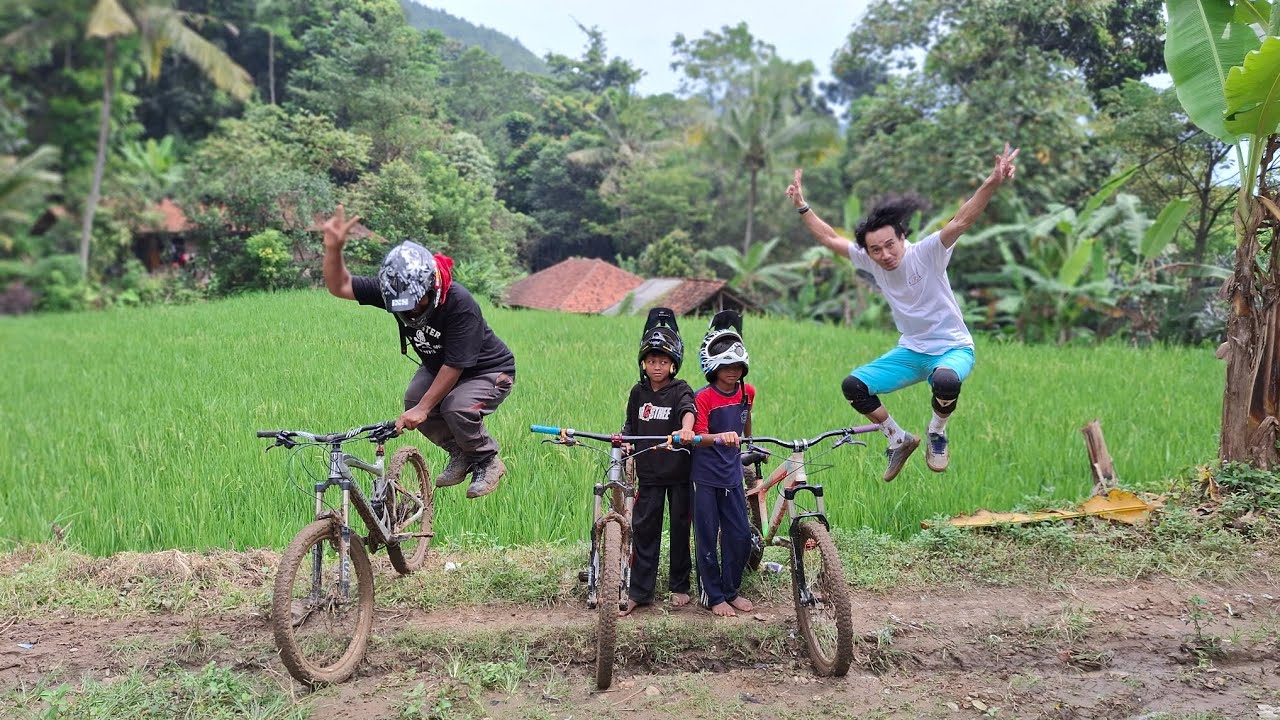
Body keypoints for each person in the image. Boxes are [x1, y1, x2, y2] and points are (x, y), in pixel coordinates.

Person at [785, 143, 1018, 481]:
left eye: (890, 245)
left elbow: (963, 219)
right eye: (875, 249)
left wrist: (992, 182)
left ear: (902, 237)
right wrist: (802, 206)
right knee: (854, 386)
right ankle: (897, 437)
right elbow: (830, 239)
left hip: (952, 348)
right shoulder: (871, 260)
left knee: (945, 379)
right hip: (911, 351)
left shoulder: (928, 253)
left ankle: (937, 431)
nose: (885, 254)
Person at [320, 205, 516, 499]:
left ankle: (488, 460)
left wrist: (424, 409)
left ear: (432, 287)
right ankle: (459, 452)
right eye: (402, 305)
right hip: (440, 365)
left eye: (417, 302)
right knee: (413, 398)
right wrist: (333, 250)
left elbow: (455, 365)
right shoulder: (394, 289)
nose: (410, 309)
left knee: (455, 407)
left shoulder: (459, 303)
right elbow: (340, 286)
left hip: (487, 370)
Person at [619, 308, 696, 616]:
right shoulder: (638, 393)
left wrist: (687, 429)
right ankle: (640, 591)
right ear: (644, 363)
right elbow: (630, 426)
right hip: (649, 475)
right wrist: (624, 444)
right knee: (645, 530)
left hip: (679, 473)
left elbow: (688, 410)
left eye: (663, 362)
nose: (657, 367)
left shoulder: (680, 389)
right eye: (652, 361)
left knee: (680, 530)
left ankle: (680, 586)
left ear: (674, 364)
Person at [686, 310, 755, 617]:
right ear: (712, 368)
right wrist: (720, 437)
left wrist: (749, 442)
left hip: (732, 473)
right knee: (706, 535)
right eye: (727, 366)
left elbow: (746, 418)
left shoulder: (746, 392)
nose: (733, 372)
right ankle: (713, 595)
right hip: (705, 476)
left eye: (738, 366)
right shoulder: (703, 398)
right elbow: (698, 436)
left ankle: (731, 589)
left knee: (739, 533)